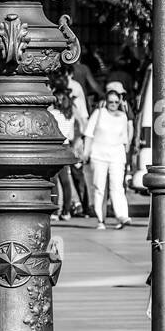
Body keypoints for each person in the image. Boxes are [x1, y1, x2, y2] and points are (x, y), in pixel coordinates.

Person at [83, 82, 132, 229]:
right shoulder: (99, 113)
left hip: (117, 155)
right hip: (99, 154)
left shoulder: (123, 116)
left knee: (117, 187)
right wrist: (86, 152)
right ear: (106, 102)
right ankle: (100, 219)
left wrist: (127, 155)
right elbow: (88, 134)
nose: (114, 104)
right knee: (99, 187)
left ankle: (122, 216)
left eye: (117, 102)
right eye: (111, 102)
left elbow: (125, 139)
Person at [49, 89, 85, 221]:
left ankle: (54, 210)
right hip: (66, 146)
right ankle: (66, 210)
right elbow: (70, 135)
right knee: (65, 181)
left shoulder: (51, 114)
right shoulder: (70, 115)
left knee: (54, 180)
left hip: (54, 147)